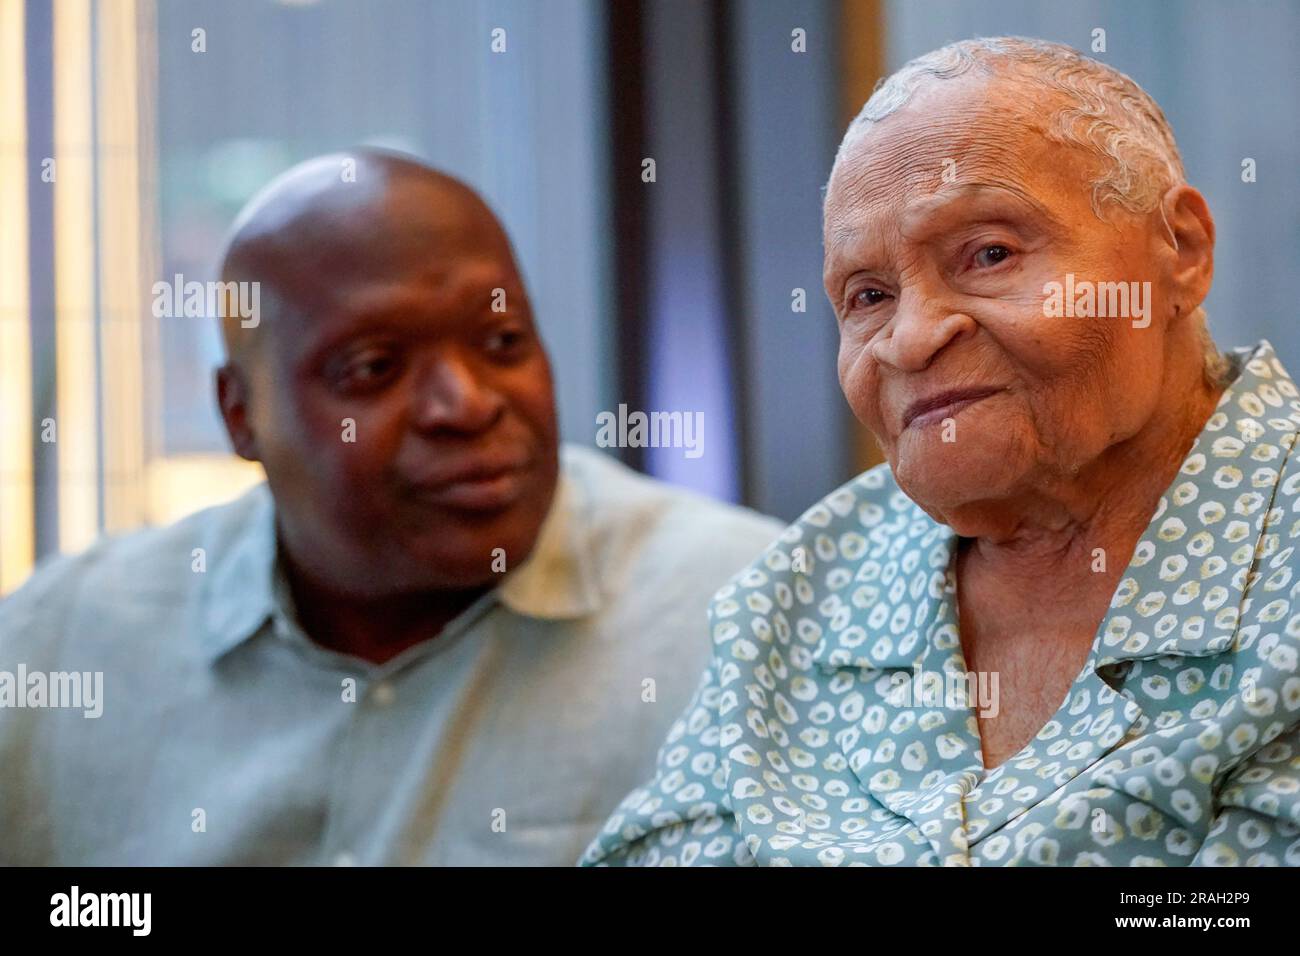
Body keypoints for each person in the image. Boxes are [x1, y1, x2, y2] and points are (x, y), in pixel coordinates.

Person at [583, 37, 1300, 867]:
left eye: (990, 254)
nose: (913, 338)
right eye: (870, 296)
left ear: (1180, 249)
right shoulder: (803, 588)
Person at [0, 151, 781, 865]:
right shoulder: (59, 650)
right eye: (375, 367)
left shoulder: (755, 622)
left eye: (503, 342)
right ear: (241, 415)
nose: (468, 405)